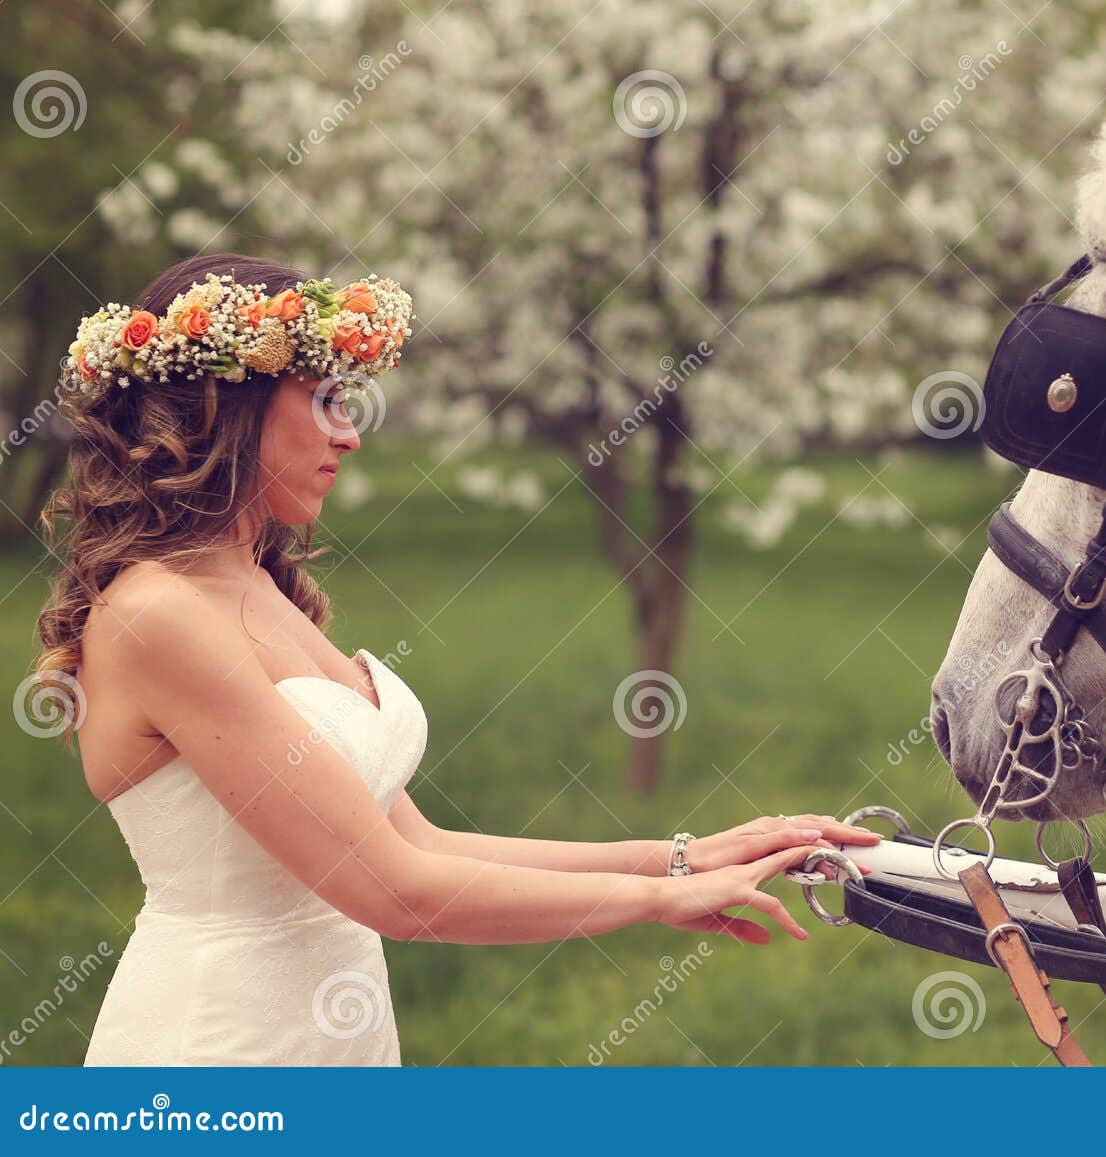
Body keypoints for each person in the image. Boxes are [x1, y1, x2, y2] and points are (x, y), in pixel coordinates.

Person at [32, 251, 879, 1065]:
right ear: (226, 404)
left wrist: (682, 856)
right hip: (218, 1049)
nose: (351, 433)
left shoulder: (257, 587)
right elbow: (398, 892)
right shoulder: (159, 615)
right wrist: (657, 900)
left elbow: (421, 845)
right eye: (326, 398)